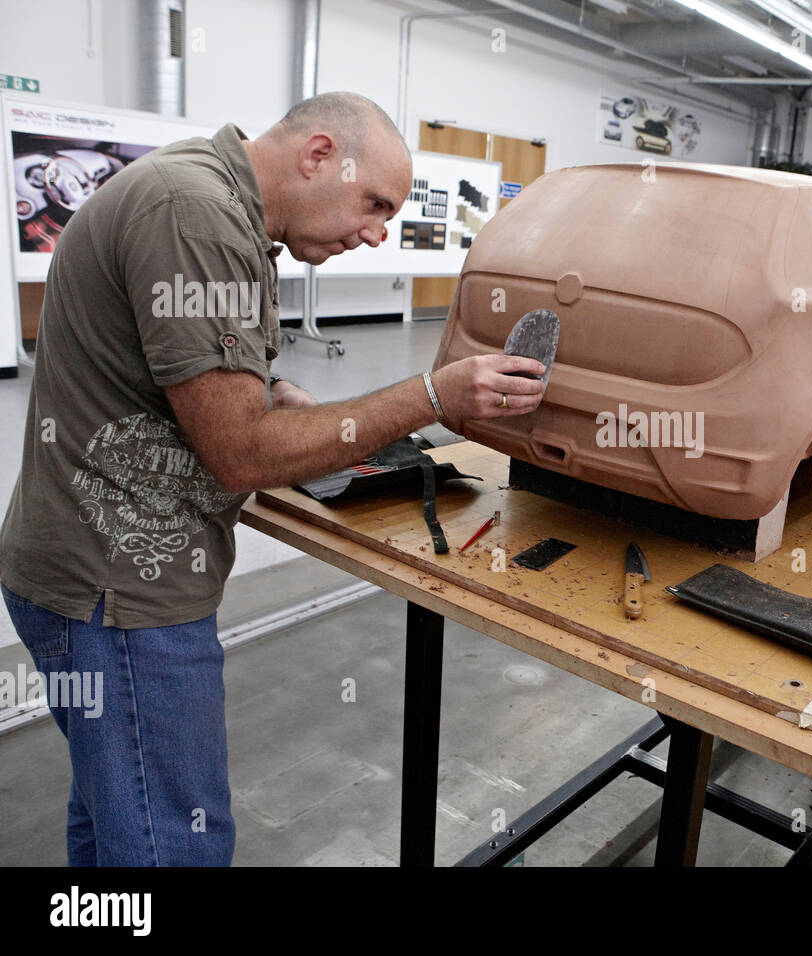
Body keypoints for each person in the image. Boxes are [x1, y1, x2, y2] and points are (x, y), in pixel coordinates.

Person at [0, 92, 545, 866]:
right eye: (374, 203)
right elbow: (243, 455)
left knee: (115, 810)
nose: (378, 231)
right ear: (319, 154)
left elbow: (200, 381)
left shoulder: (210, 200)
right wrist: (434, 397)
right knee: (169, 842)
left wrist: (273, 393)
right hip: (118, 594)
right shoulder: (195, 215)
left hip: (90, 573)